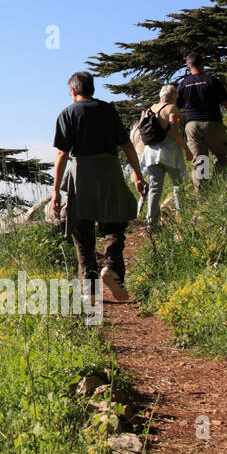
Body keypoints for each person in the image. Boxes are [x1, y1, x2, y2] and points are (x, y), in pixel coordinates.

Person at [50, 71, 147, 303]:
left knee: (82, 232)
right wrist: (137, 173)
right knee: (114, 222)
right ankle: (112, 267)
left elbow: (63, 153)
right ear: (92, 89)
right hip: (109, 170)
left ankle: (90, 289)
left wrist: (55, 191)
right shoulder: (108, 110)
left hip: (82, 173)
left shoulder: (67, 113)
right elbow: (126, 145)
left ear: (73, 91)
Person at [175, 52, 227, 190]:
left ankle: (203, 195)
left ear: (189, 67)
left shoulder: (183, 85)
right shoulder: (211, 80)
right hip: (212, 123)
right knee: (223, 156)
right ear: (202, 64)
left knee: (201, 161)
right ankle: (217, 183)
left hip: (192, 125)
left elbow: (176, 109)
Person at [138, 84, 192, 229]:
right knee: (177, 184)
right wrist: (186, 149)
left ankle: (151, 222)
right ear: (173, 96)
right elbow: (174, 131)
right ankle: (182, 216)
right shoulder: (172, 109)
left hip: (150, 153)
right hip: (168, 152)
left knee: (155, 187)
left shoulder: (151, 109)